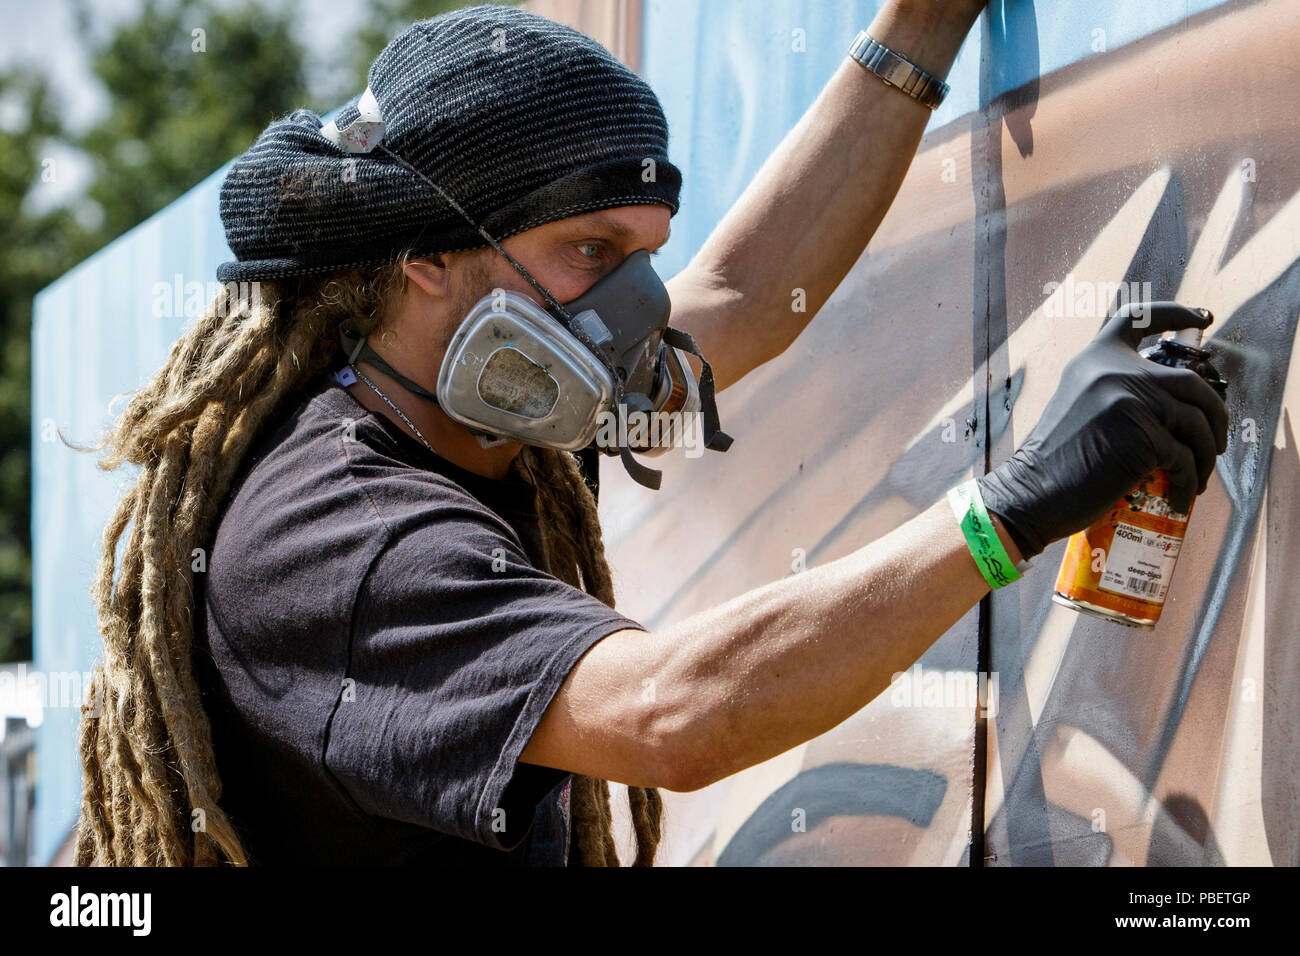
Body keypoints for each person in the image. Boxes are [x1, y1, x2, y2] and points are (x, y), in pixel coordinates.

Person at [73, 0, 1228, 866]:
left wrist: (917, 29)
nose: (633, 306)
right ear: (424, 255)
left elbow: (744, 295)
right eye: (593, 251)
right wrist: (1010, 507)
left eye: (644, 251)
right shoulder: (340, 535)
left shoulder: (486, 400)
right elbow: (679, 712)